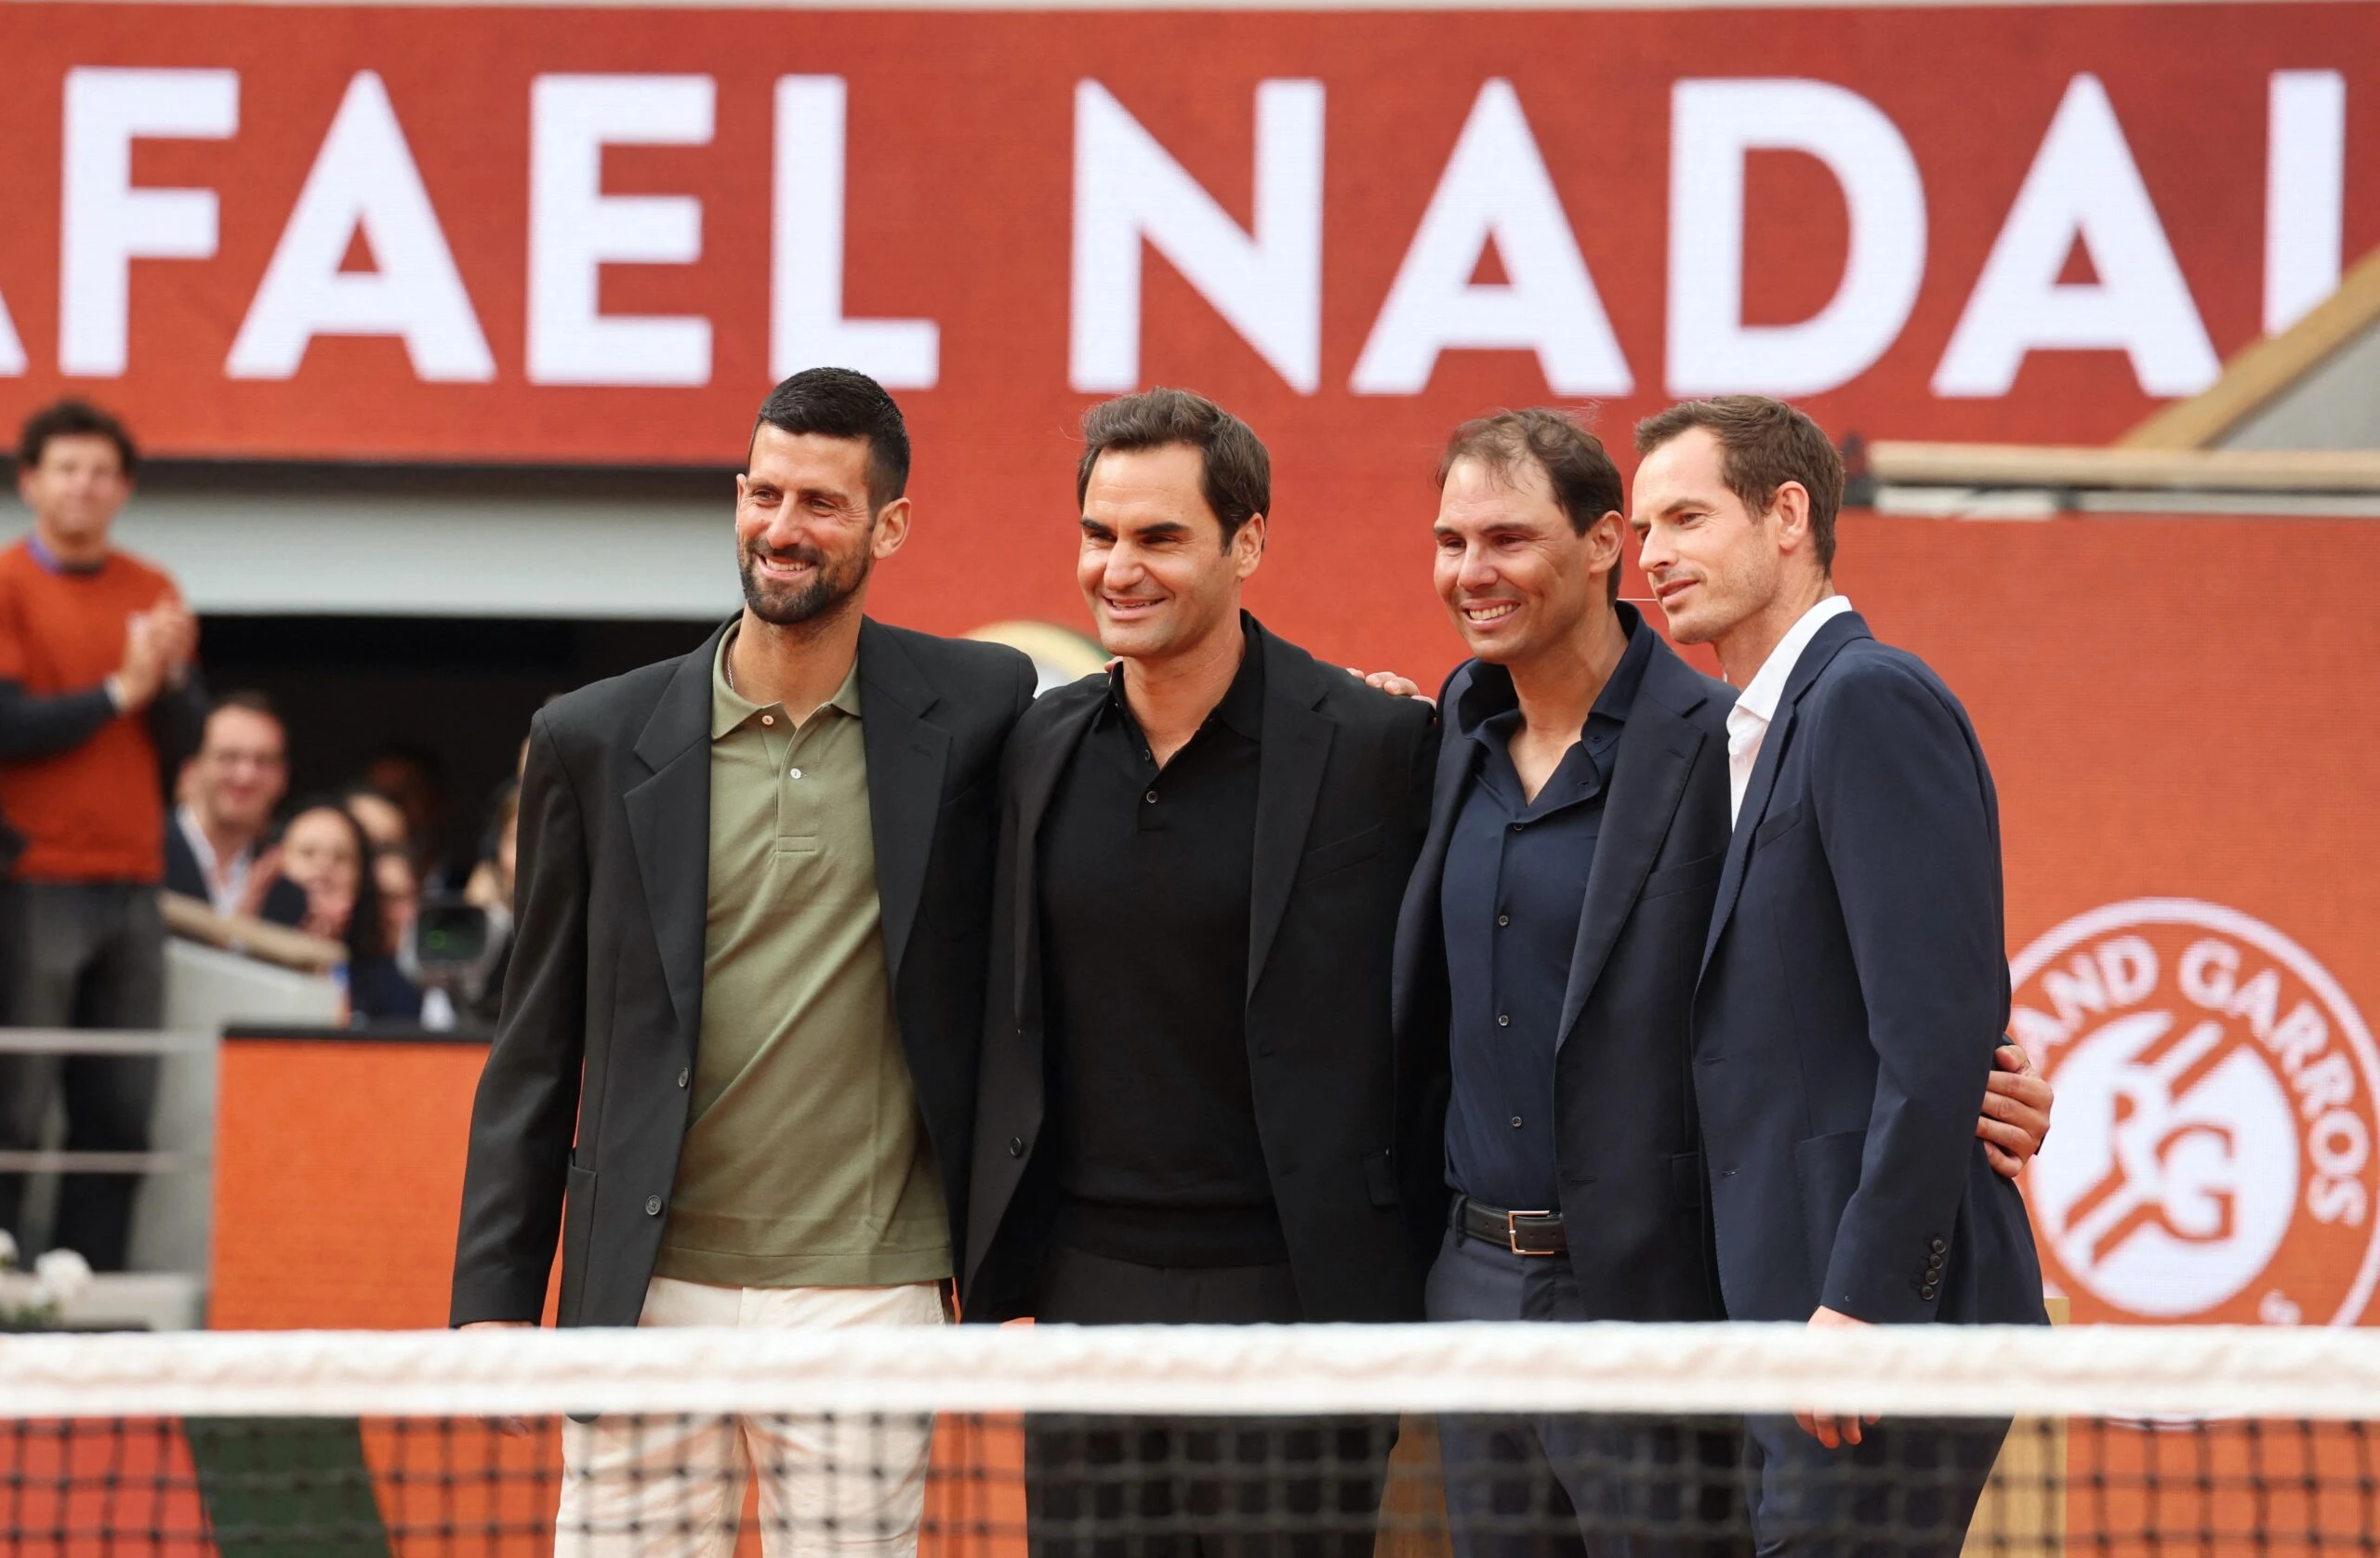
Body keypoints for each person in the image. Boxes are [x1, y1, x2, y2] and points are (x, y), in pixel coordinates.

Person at [449, 367, 1037, 1558]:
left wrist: (1364, 710)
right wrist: (494, 1303)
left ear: (889, 524)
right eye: (765, 493)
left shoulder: (983, 706)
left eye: (821, 502)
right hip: (645, 1291)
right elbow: (536, 1040)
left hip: (871, 1295)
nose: (782, 528)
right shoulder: (592, 737)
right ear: (735, 497)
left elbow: (1151, 725)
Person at [964, 389, 1436, 1558]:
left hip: (1299, 1291)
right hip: (1086, 1290)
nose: (1118, 567)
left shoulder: (1380, 745)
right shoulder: (1034, 746)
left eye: (1160, 536)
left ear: (1249, 542)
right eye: (1099, 535)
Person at [1630, 396, 2049, 1555]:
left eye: (1684, 515)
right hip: (1793, 1315)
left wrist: (1864, 1298)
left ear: (1786, 514)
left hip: (1870, 1330)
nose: (1653, 553)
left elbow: (1938, 1030)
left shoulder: (1866, 698)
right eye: (1639, 527)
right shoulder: (1747, 732)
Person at [0, 398, 205, 1272]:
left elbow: (185, 740)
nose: (84, 485)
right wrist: (122, 689)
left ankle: (99, 1301)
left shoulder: (150, 585)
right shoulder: (7, 581)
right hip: (35, 871)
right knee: (16, 1101)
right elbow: (7, 726)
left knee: (120, 1106)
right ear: (31, 482)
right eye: (67, 468)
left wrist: (177, 674)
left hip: (133, 874)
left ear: (124, 488)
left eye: (100, 471)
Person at [266, 799, 421, 1023]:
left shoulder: (390, 982)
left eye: (341, 857)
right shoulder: (244, 957)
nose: (323, 866)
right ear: (275, 864)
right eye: (308, 853)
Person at [165, 692, 309, 927]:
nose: (245, 777)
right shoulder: (141, 855)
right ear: (194, 767)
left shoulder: (286, 896)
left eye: (263, 761)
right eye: (228, 757)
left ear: (283, 778)